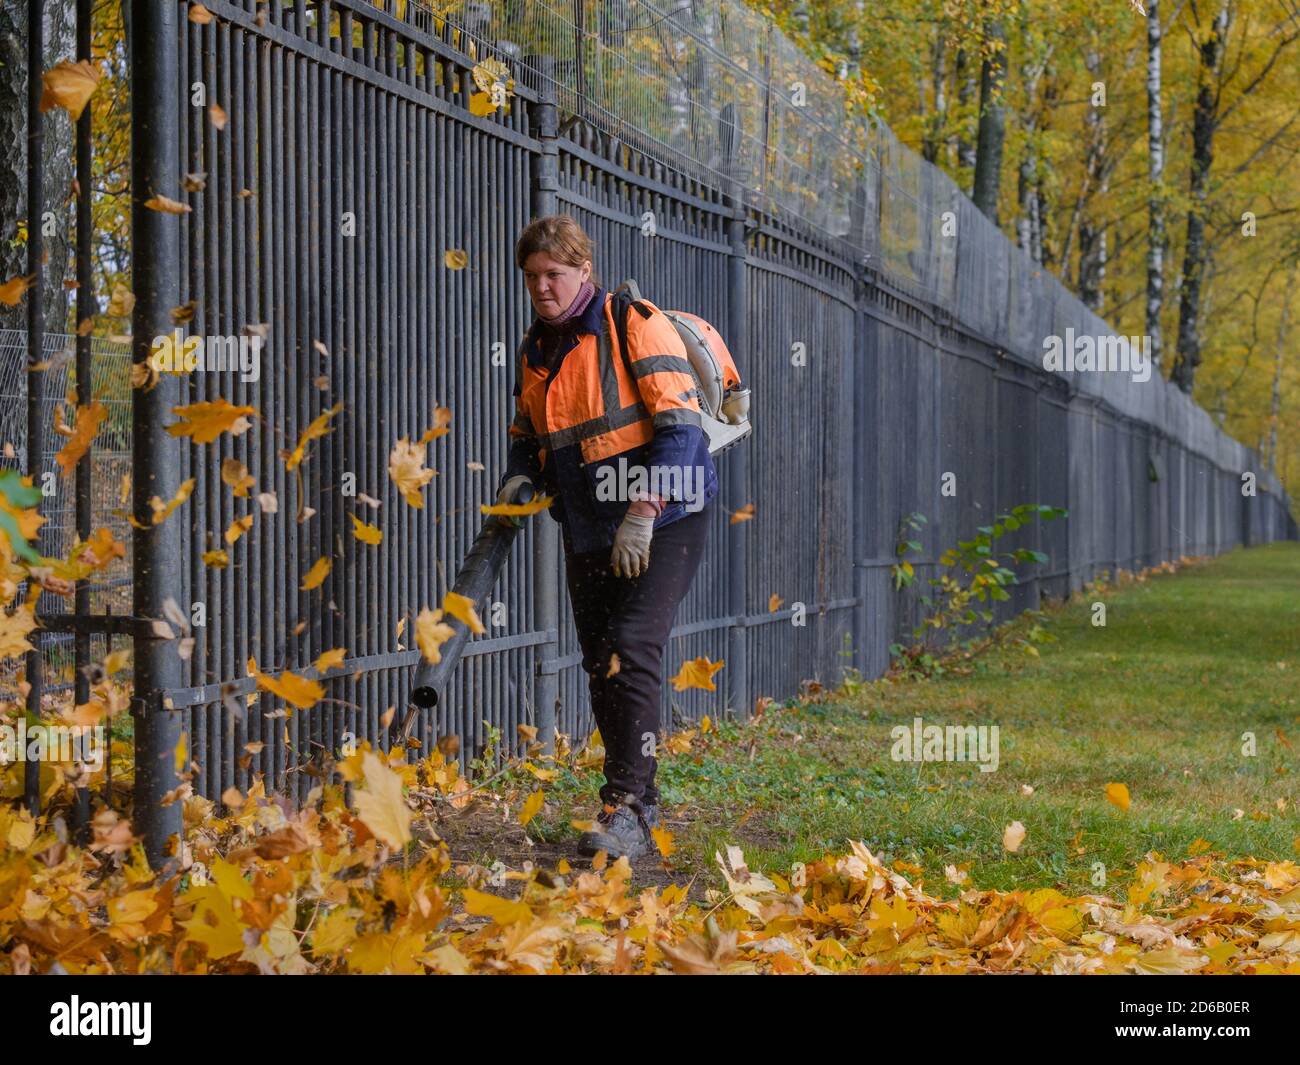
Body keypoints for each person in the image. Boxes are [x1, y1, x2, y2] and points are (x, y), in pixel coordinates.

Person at [496, 214, 718, 860]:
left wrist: (644, 510)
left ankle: (629, 807)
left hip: (668, 513)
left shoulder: (633, 323)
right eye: (532, 277)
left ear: (583, 271)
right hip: (591, 526)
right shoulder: (536, 350)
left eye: (554, 275)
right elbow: (527, 440)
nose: (542, 287)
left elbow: (681, 428)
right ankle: (628, 803)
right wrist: (518, 480)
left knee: (632, 645)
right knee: (601, 664)